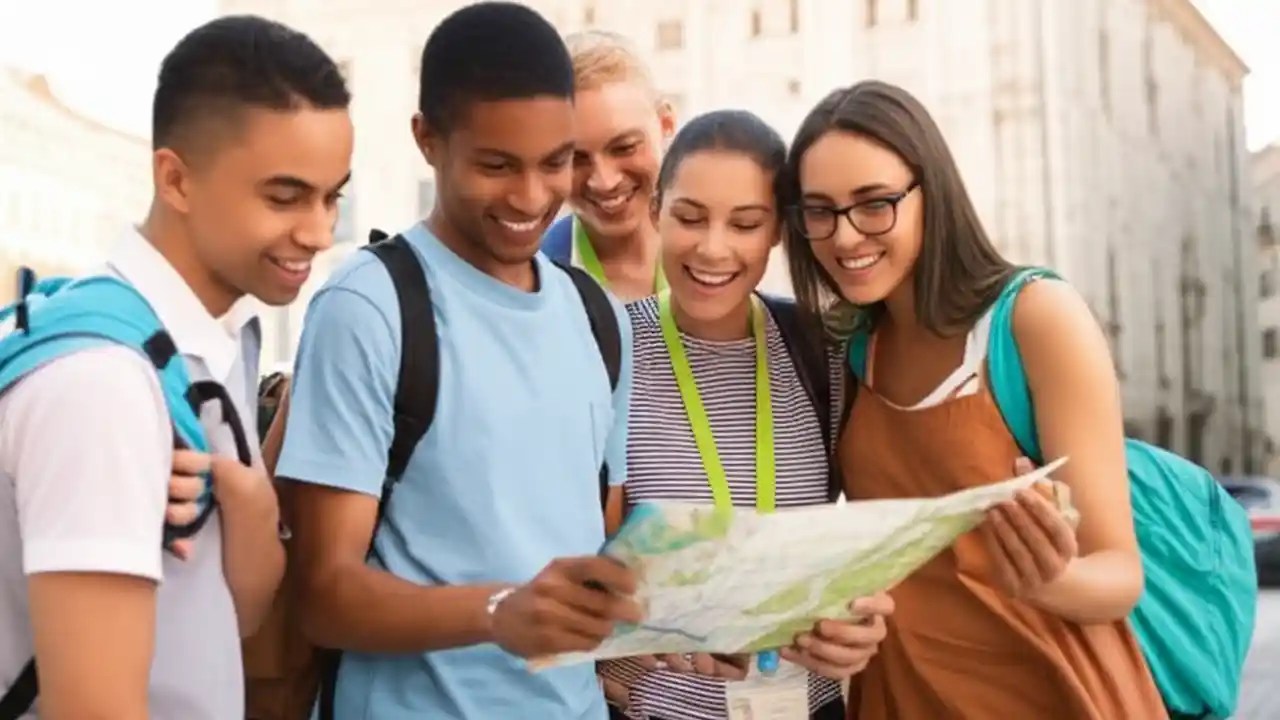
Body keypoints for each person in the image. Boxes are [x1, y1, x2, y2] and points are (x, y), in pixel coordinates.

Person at [275, 4, 641, 719]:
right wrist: (499, 611)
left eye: (556, 162)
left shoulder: (597, 317)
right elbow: (323, 595)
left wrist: (696, 627)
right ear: (428, 140)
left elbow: (598, 560)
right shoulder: (369, 306)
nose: (532, 197)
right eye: (497, 165)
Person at [0, 15, 352, 719]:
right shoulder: (102, 382)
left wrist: (250, 507)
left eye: (332, 196)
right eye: (284, 197)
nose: (318, 232)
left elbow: (232, 620)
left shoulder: (214, 341)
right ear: (176, 179)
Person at [783, 80, 1165, 719]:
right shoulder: (846, 347)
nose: (845, 237)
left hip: (1051, 693)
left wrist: (1054, 581)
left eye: (874, 204)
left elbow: (1121, 574)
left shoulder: (1035, 319)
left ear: (933, 192)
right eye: (819, 211)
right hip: (901, 697)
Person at [598, 109, 892, 720]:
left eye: (745, 224)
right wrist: (608, 655)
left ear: (778, 232)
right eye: (689, 217)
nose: (713, 247)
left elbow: (856, 551)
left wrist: (856, 626)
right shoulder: (606, 350)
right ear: (656, 210)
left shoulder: (823, 354)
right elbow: (563, 562)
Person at [541, 30, 676, 302]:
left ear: (665, 125)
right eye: (574, 159)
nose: (604, 181)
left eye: (625, 147)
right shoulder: (533, 282)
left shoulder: (727, 253)